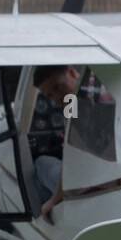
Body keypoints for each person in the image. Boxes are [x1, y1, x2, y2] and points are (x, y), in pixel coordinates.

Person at [32, 65, 82, 222]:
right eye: (50, 95)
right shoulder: (73, 103)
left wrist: (55, 200)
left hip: (87, 181)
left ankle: (44, 219)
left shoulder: (76, 108)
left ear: (73, 72)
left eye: (58, 87)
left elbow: (73, 160)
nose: (57, 98)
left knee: (41, 162)